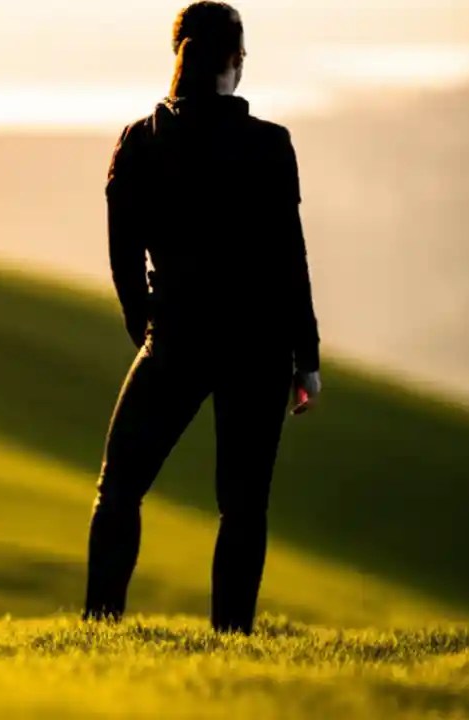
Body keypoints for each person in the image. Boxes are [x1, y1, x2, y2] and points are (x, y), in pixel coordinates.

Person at [82, 1, 322, 634]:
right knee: (242, 507)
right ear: (235, 61)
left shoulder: (141, 141)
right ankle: (232, 640)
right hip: (260, 346)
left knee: (120, 488)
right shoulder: (271, 146)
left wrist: (148, 326)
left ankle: (99, 627)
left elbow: (122, 253)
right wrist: (308, 360)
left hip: (178, 336)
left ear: (178, 54)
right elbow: (288, 258)